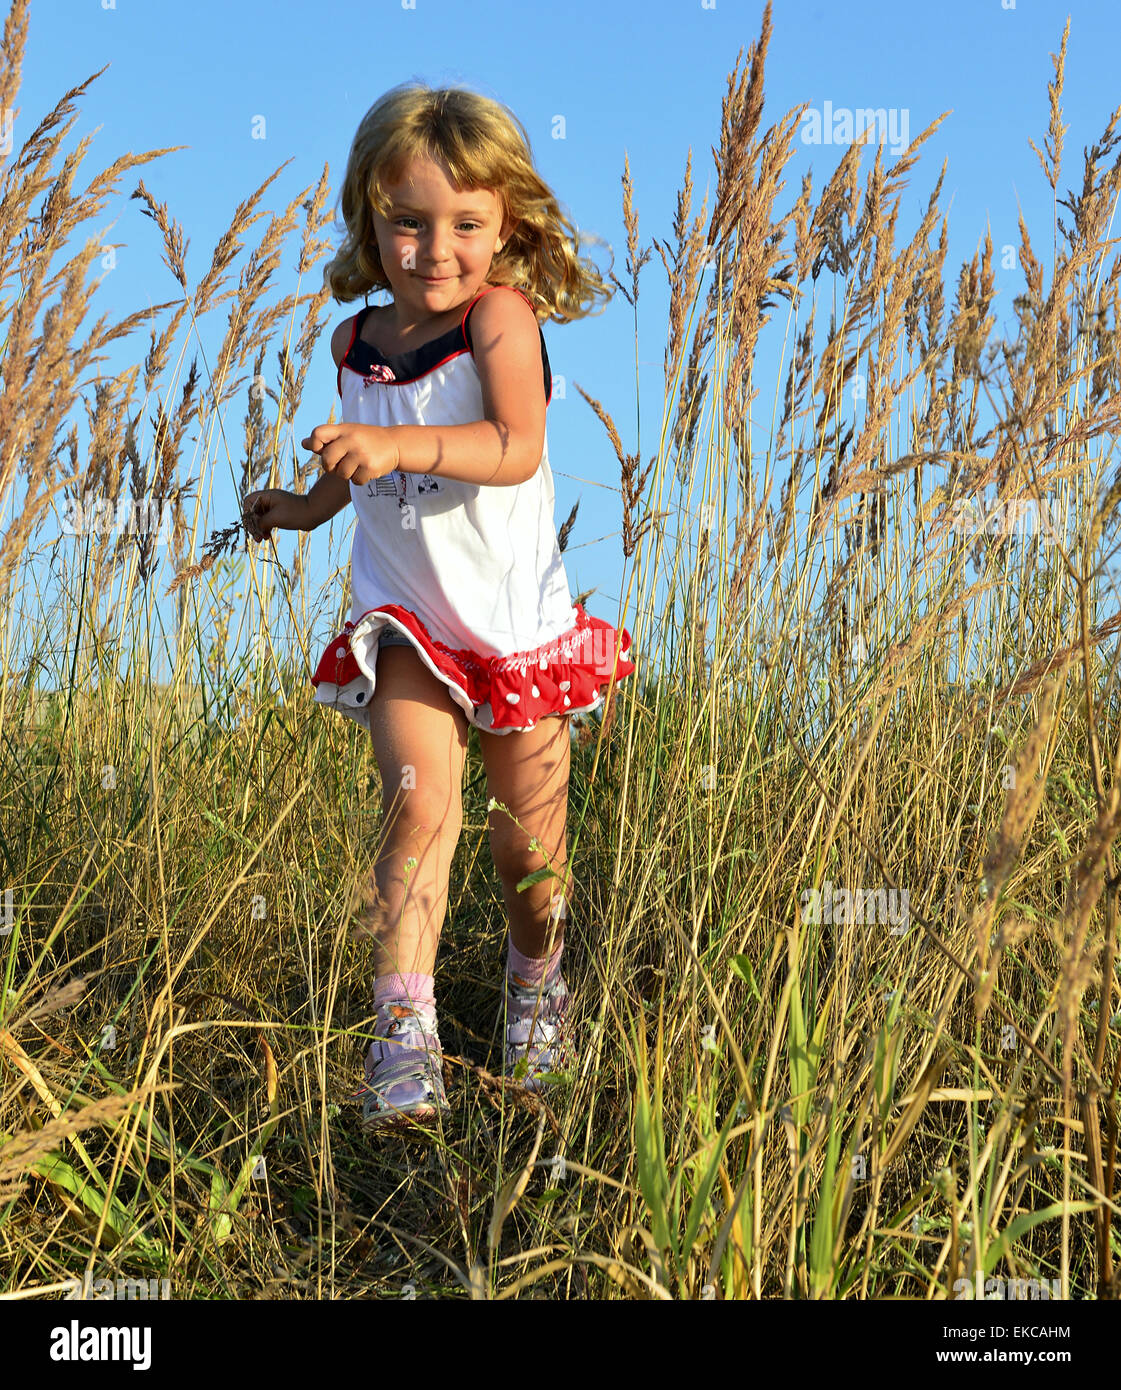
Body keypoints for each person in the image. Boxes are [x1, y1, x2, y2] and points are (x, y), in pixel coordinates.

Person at [243, 82, 636, 1133]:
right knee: (418, 809)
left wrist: (401, 446)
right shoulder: (353, 342)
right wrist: (307, 505)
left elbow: (514, 446)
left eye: (464, 223)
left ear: (506, 223)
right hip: (406, 623)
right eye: (406, 220)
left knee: (525, 848)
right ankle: (402, 1033)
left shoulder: (499, 319)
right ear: (368, 220)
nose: (434, 248)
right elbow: (362, 457)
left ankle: (533, 979)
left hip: (512, 631)